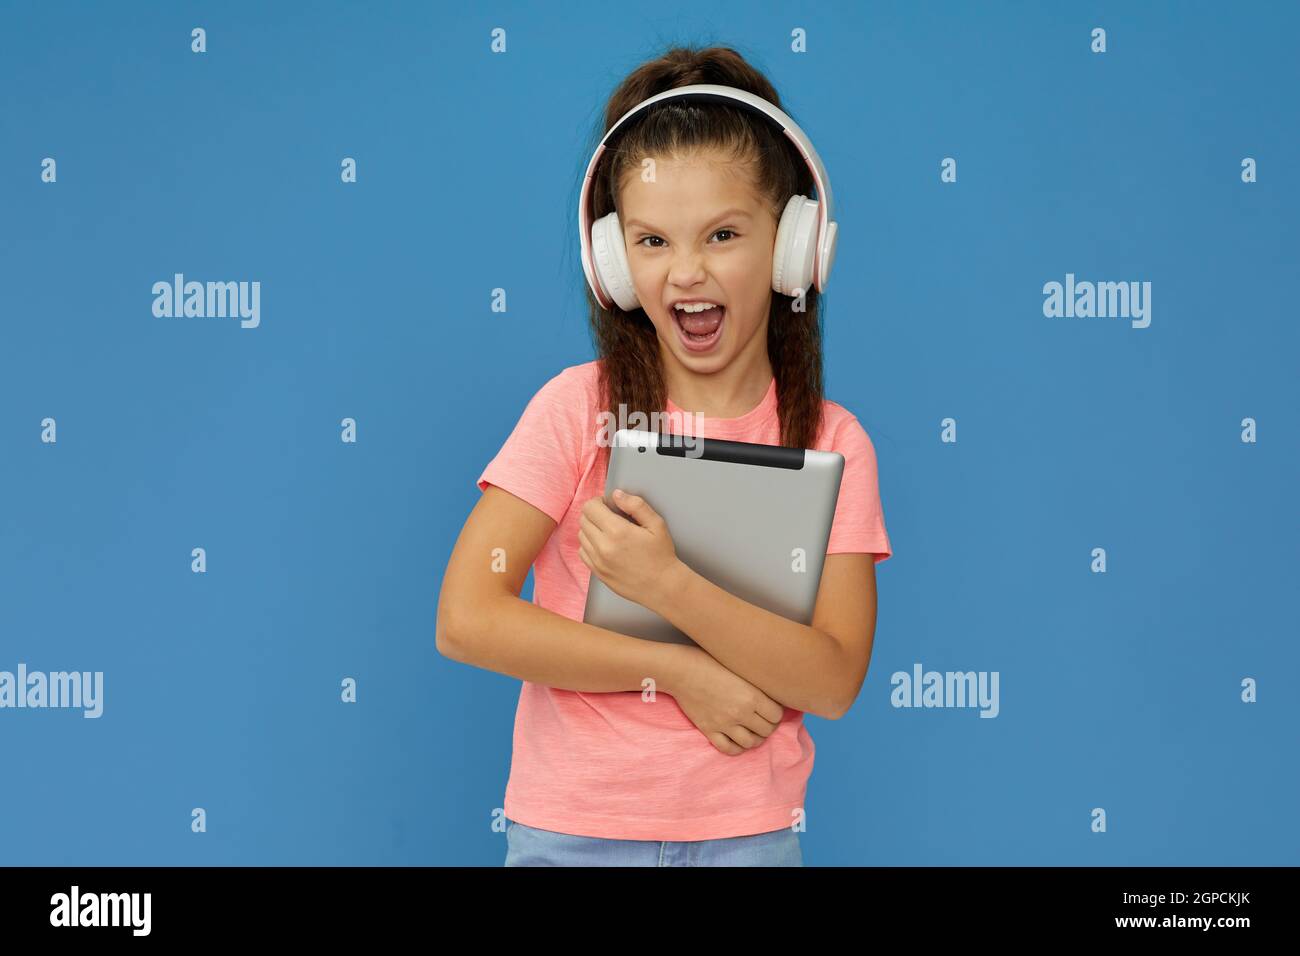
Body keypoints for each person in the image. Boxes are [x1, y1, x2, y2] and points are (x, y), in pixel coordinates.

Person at [436, 45, 892, 866]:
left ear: (793, 245)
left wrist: (669, 584)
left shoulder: (833, 441)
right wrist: (677, 673)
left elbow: (831, 680)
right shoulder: (579, 410)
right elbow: (467, 618)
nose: (687, 271)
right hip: (573, 834)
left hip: (747, 836)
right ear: (611, 261)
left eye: (722, 234)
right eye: (650, 241)